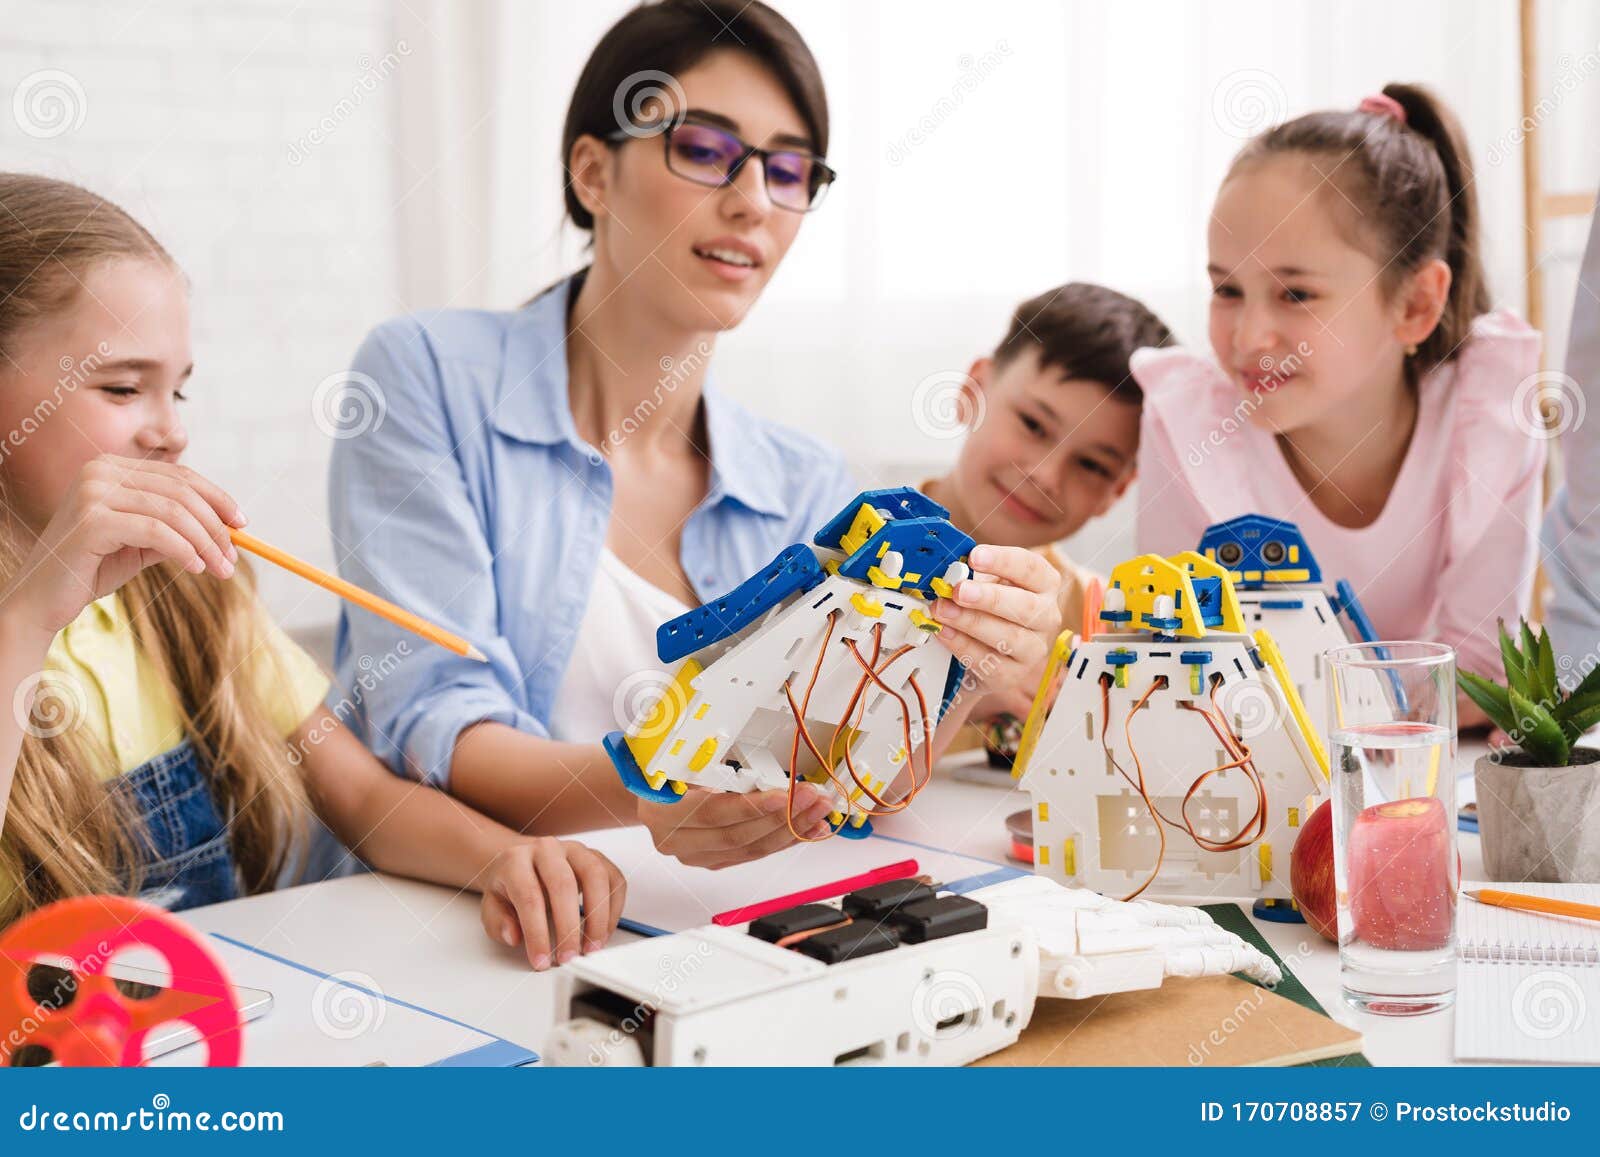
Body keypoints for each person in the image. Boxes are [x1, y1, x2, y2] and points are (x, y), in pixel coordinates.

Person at [329, 0, 1059, 868]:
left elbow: (845, 772)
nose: (753, 201)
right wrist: (654, 786)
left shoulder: (804, 483)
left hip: (715, 929)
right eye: (706, 151)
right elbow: (436, 725)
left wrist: (963, 663)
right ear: (593, 174)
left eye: (788, 172)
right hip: (463, 917)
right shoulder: (425, 376)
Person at [0, 173, 624, 970]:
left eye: (179, 390)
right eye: (123, 386)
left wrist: (504, 858)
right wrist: (26, 623)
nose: (171, 431)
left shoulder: (184, 591)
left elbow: (362, 798)